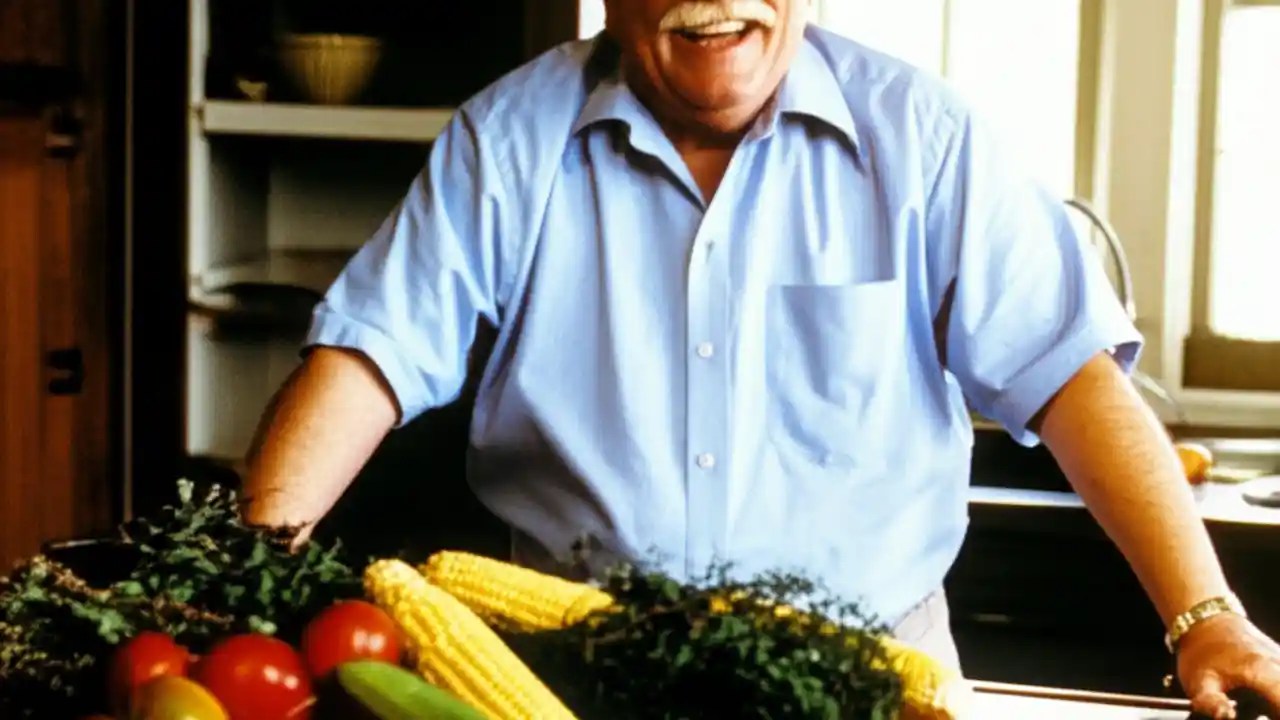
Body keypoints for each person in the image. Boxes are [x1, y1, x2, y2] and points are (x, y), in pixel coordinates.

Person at [240, 0, 1280, 715]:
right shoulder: (506, 138)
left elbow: (1069, 380)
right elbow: (366, 358)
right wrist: (247, 572)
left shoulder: (923, 136)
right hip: (572, 678)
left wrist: (1205, 615)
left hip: (874, 681)